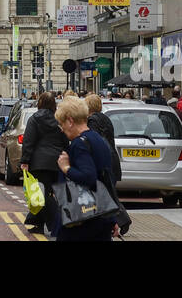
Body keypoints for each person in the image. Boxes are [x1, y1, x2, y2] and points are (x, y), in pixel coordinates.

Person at [51, 95, 119, 242]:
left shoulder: (79, 144)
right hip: (101, 215)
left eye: (61, 124)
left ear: (70, 120)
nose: (61, 129)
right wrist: (112, 218)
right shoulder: (98, 140)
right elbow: (106, 180)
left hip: (81, 218)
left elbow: (88, 177)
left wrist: (66, 168)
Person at [20, 91, 67, 235]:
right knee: (46, 194)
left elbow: (29, 141)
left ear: (40, 103)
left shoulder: (35, 118)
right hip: (57, 162)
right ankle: (38, 225)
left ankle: (56, 224)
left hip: (39, 163)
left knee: (42, 196)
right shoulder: (59, 120)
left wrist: (25, 161)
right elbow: (65, 140)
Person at [85, 93, 118, 179]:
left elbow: (93, 143)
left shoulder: (92, 120)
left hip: (102, 164)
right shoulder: (105, 118)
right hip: (112, 161)